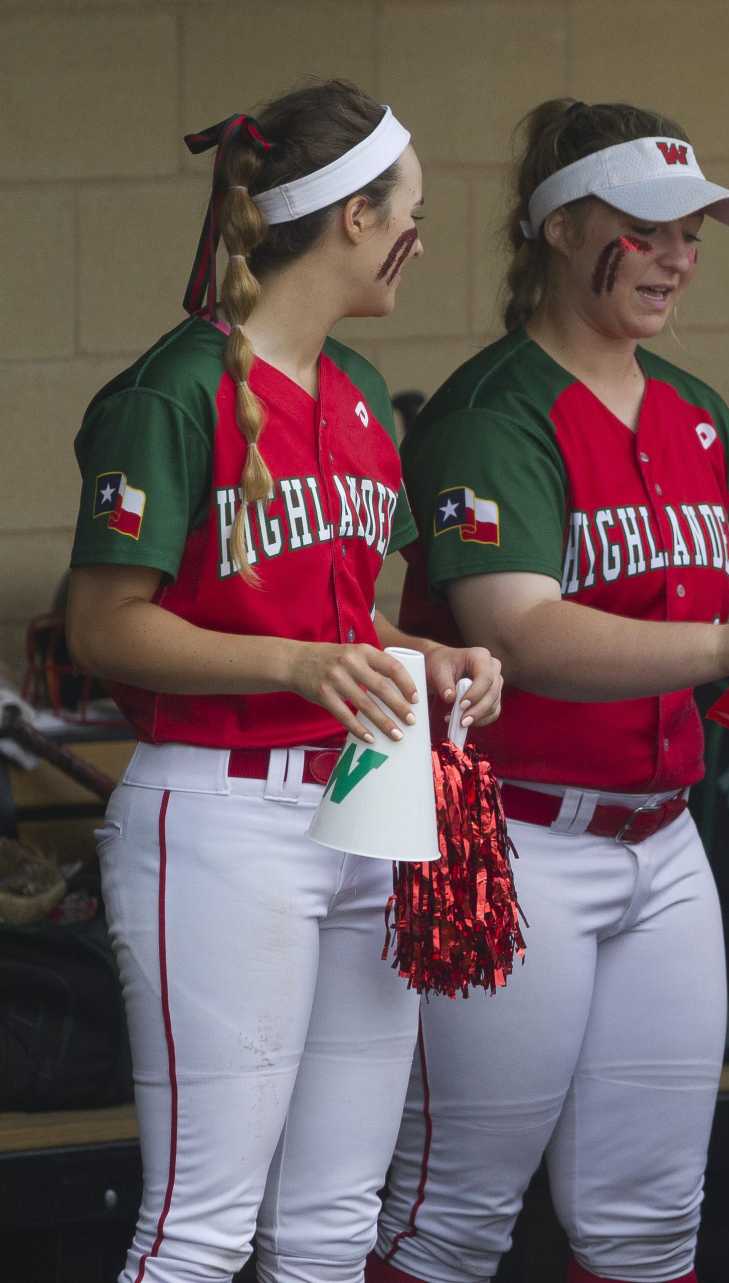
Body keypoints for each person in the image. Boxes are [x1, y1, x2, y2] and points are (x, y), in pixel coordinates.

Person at [368, 99, 729, 1283]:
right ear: (564, 228)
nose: (679, 256)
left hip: (662, 839)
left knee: (648, 1223)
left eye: (693, 233)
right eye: (650, 227)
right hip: (509, 832)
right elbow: (519, 633)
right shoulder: (491, 412)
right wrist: (726, 648)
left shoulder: (695, 412)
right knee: (451, 1215)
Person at [66, 80, 504, 1283]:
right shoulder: (178, 385)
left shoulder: (356, 389)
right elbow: (103, 625)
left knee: (329, 1224)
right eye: (409, 210)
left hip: (364, 792)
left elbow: (336, 617)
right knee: (202, 1224)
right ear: (355, 216)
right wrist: (300, 663)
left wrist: (437, 659)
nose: (421, 236)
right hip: (220, 807)